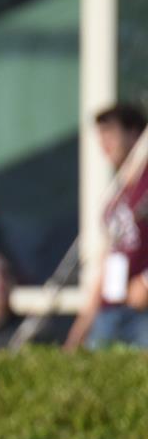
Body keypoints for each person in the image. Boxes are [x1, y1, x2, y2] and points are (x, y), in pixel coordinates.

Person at [65, 103, 148, 352]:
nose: (104, 142)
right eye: (100, 135)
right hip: (109, 310)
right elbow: (109, 256)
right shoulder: (117, 192)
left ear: (135, 133)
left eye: (110, 133)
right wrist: (82, 325)